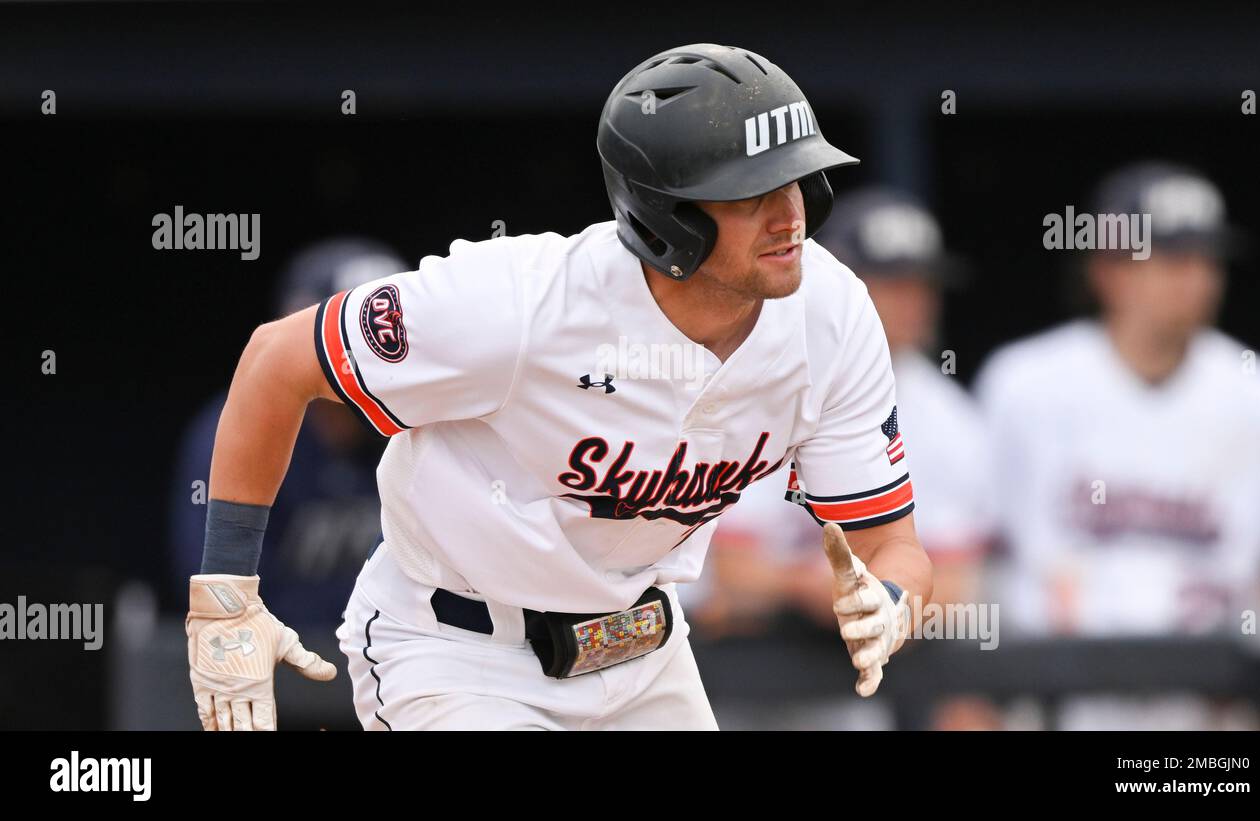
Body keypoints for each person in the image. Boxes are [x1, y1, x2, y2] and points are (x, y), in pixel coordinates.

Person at [184, 43, 932, 731]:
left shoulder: (830, 315)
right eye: (751, 192)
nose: (790, 213)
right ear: (667, 216)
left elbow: (894, 545)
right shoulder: (517, 305)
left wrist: (891, 601)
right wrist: (225, 597)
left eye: (797, 177)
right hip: (459, 647)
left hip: (644, 650)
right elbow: (278, 358)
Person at [974, 162, 1260, 728]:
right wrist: (972, 703)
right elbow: (973, 566)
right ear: (1108, 270)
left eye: (1207, 259)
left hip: (1210, 723)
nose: (1195, 279)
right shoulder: (1023, 384)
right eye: (1172, 259)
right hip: (1057, 707)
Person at [688, 188, 993, 729]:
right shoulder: (755, 373)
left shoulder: (951, 418)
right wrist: (817, 587)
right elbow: (733, 575)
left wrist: (865, 595)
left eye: (921, 284)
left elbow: (952, 590)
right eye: (889, 282)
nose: (910, 301)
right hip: (737, 670)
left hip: (863, 677)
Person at [170, 238, 404, 626]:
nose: (377, 348)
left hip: (395, 665)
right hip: (280, 664)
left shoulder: (423, 427)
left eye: (389, 333)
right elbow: (215, 591)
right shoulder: (234, 428)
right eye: (358, 332)